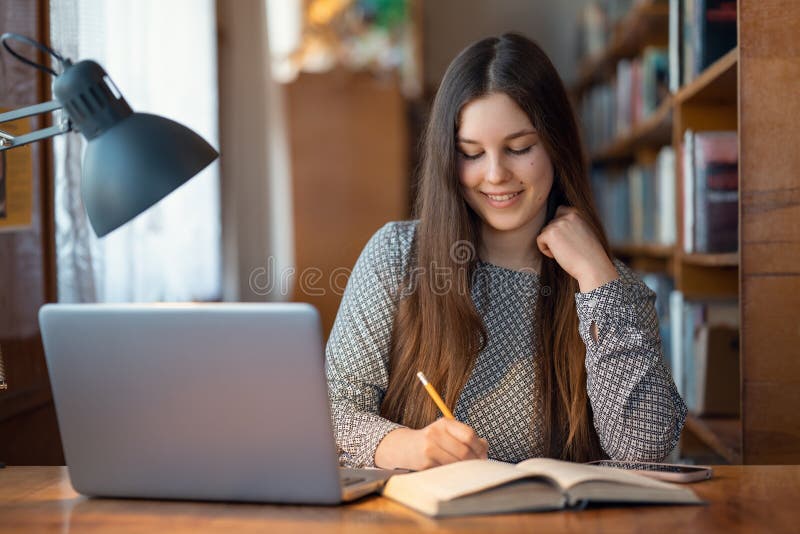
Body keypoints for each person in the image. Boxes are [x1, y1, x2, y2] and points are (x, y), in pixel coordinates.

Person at [325, 33, 686, 471]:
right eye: (471, 154)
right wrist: (407, 447)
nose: (495, 175)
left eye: (519, 148)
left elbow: (646, 447)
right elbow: (331, 411)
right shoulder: (397, 255)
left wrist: (596, 278)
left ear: (556, 145)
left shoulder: (611, 288)